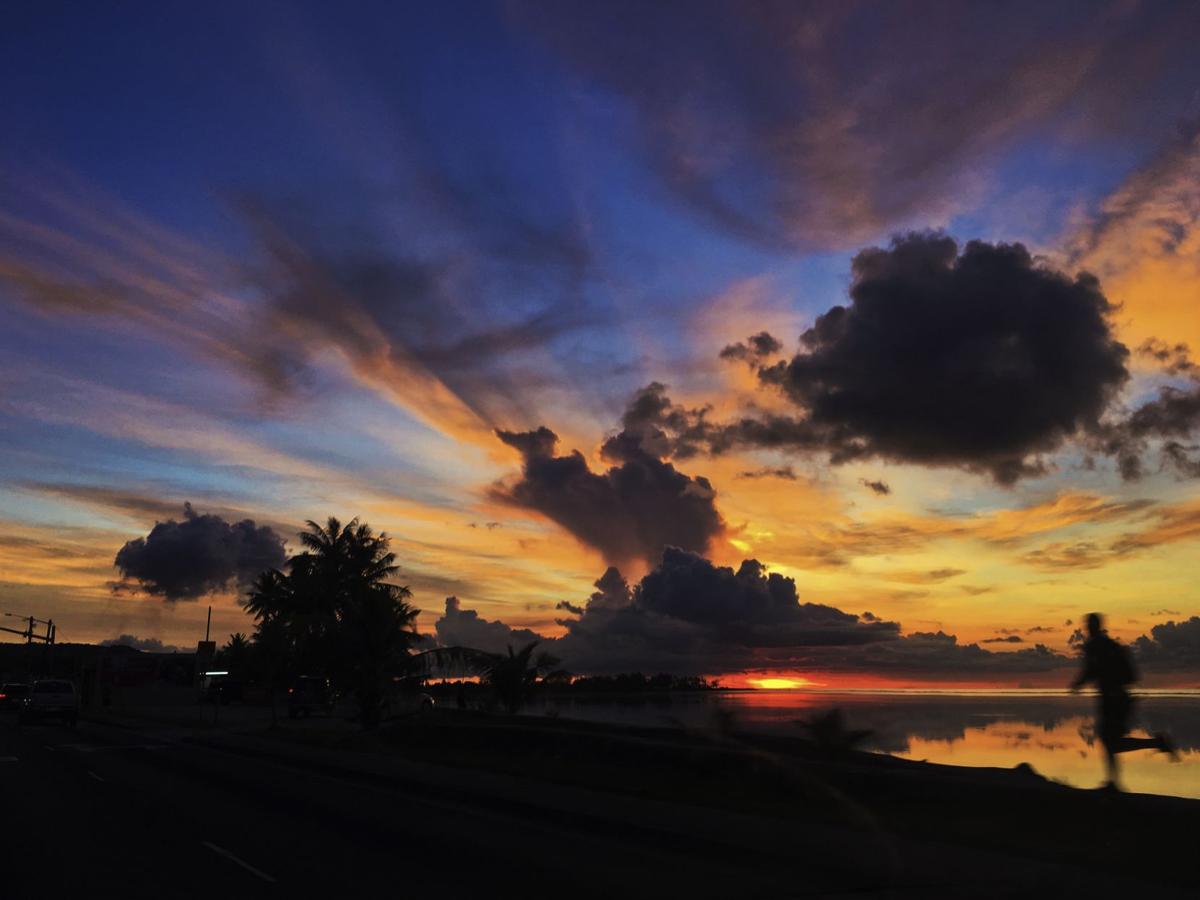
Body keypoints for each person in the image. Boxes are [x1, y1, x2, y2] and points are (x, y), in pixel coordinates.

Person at [1069, 612, 1176, 789]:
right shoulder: (1108, 645)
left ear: (1091, 627)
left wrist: (1077, 684)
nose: (1087, 628)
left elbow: (1091, 669)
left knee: (1110, 741)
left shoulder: (1095, 646)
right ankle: (1115, 780)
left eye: (1088, 625)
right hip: (1119, 698)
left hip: (1113, 700)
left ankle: (1155, 744)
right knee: (1111, 742)